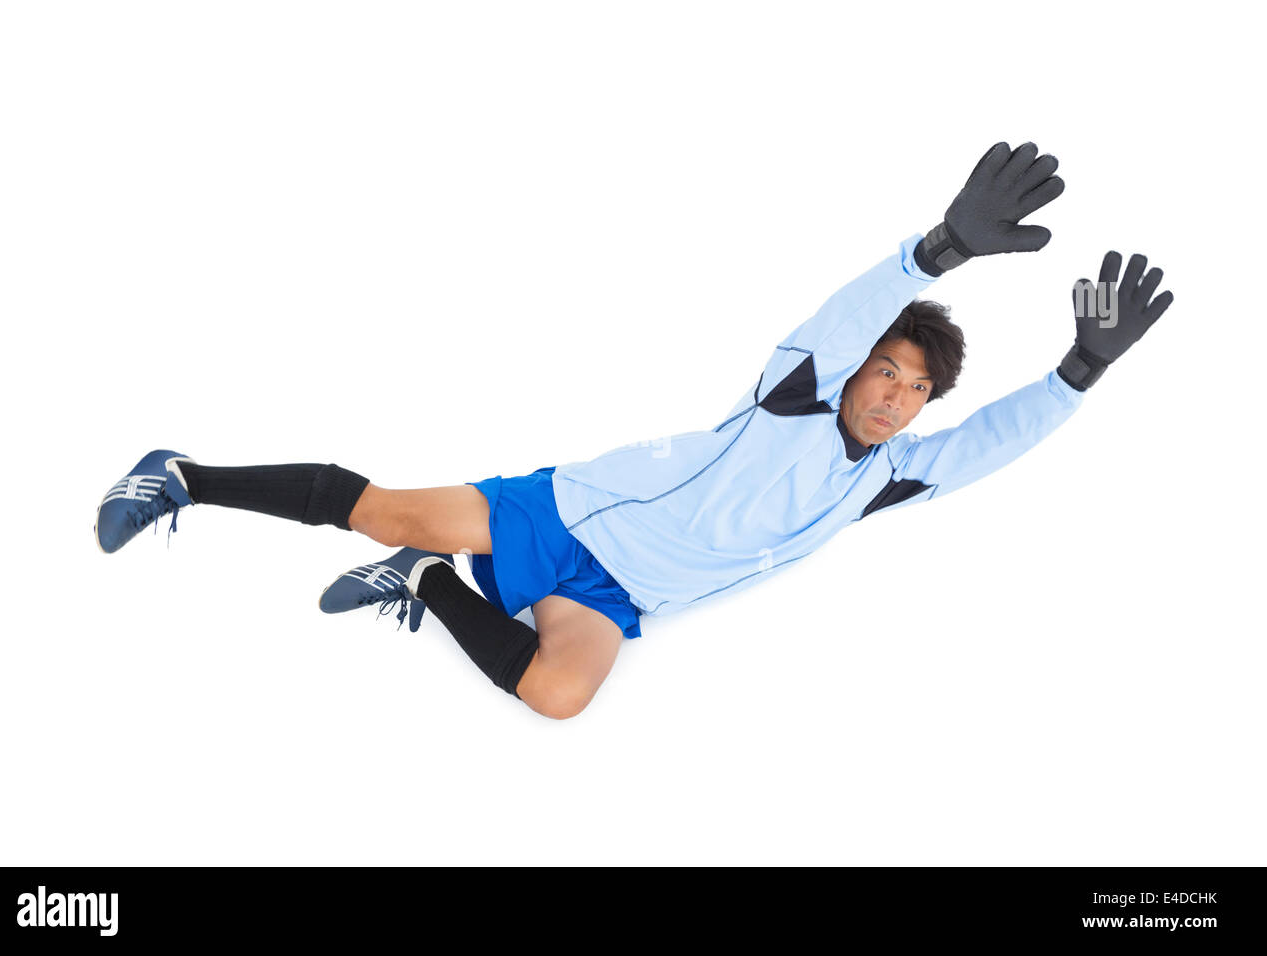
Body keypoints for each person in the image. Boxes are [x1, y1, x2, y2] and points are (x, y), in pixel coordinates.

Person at [94, 141, 1173, 720]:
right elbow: (839, 320)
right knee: (371, 506)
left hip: (616, 591)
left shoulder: (886, 476)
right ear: (857, 373)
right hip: (566, 508)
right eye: (883, 370)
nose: (890, 393)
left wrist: (1077, 374)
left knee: (558, 696)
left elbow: (989, 445)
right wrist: (934, 250)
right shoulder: (796, 391)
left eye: (912, 388)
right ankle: (182, 474)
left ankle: (423, 580)